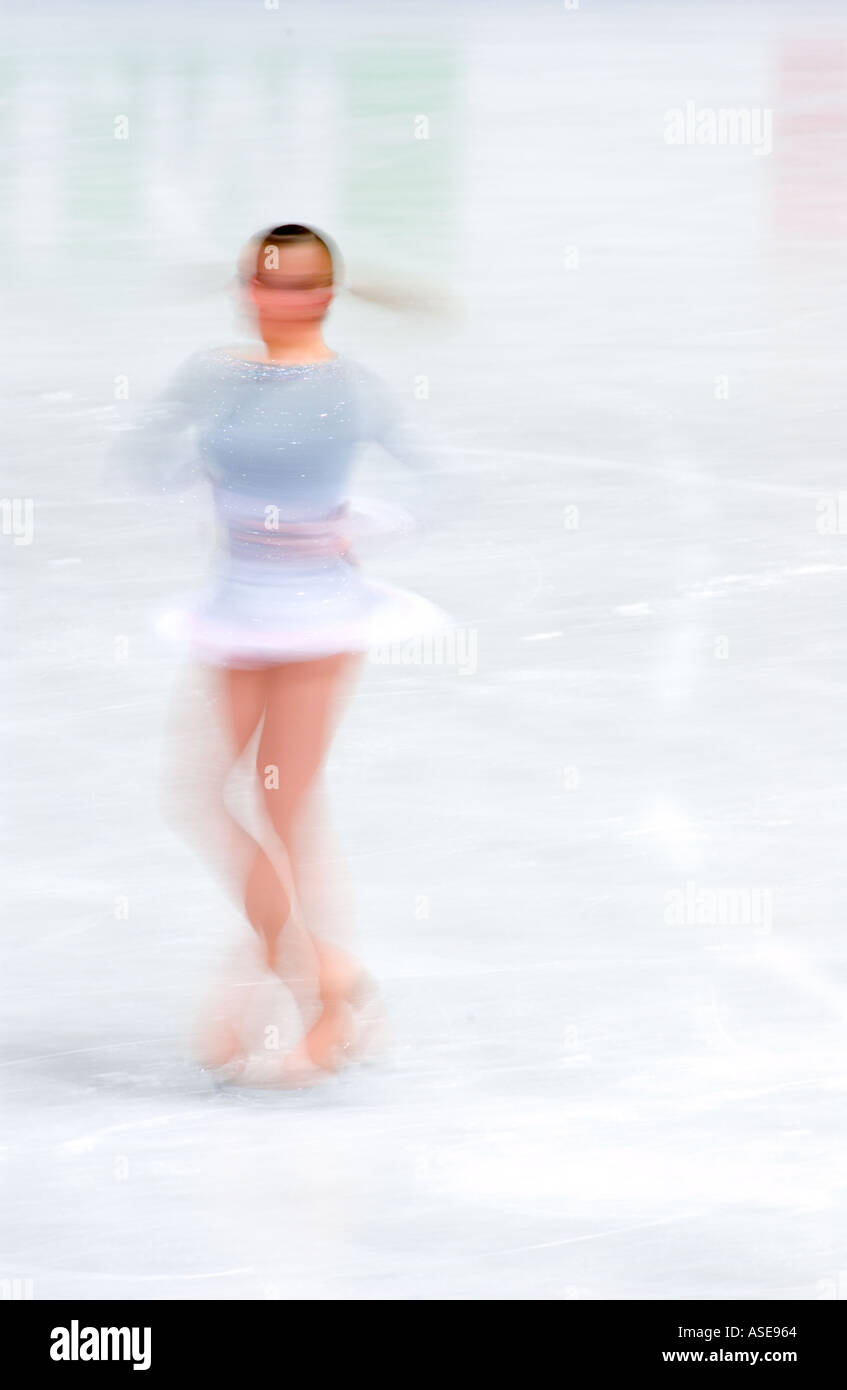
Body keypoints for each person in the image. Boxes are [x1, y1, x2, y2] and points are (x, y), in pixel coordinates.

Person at [114, 223, 450, 1087]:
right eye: (263, 284)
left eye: (295, 287)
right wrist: (209, 492)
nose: (276, 301)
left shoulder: (351, 392)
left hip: (317, 614)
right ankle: (321, 973)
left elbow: (428, 484)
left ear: (324, 298)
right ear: (246, 290)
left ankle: (318, 996)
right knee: (205, 794)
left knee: (284, 803)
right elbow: (145, 461)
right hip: (237, 607)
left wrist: (344, 524)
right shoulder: (217, 375)